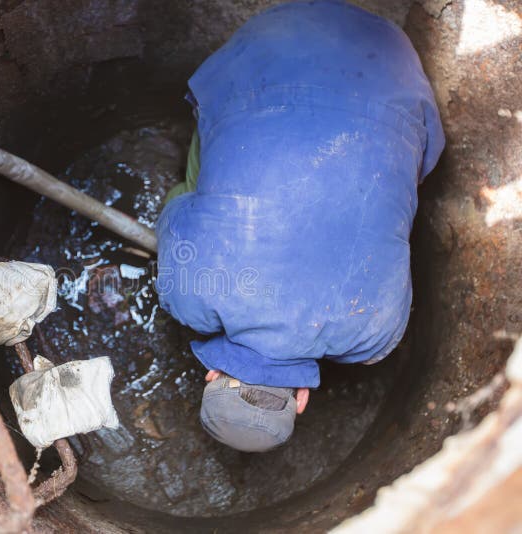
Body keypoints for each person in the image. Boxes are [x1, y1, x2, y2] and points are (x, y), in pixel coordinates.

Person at [156, 0, 444, 452]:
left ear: (302, 398)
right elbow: (174, 212)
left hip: (393, 64)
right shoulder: (188, 296)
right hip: (270, 42)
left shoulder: (375, 336)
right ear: (213, 375)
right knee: (191, 195)